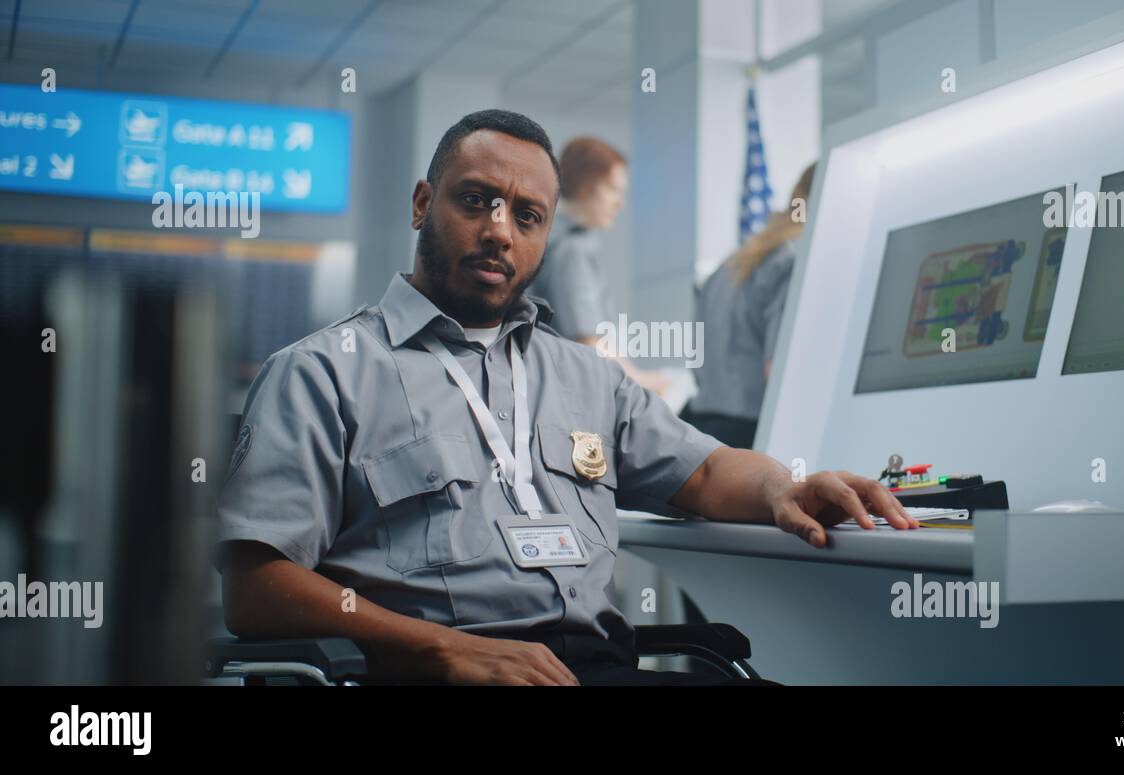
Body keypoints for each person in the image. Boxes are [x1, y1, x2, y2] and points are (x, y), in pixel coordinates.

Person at [215, 111, 915, 687]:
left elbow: (700, 471)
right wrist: (438, 648)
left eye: (527, 215)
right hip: (429, 670)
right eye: (474, 200)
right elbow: (255, 589)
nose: (499, 229)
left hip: (594, 669)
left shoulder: (586, 377)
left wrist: (785, 487)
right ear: (423, 203)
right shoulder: (320, 373)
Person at [682, 163, 816, 449]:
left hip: (700, 426)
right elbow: (777, 367)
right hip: (749, 434)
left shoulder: (736, 259)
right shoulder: (793, 259)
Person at [528, 136, 670, 393]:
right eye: (613, 190)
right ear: (586, 186)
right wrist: (640, 381)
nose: (620, 203)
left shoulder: (552, 238)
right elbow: (589, 342)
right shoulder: (572, 248)